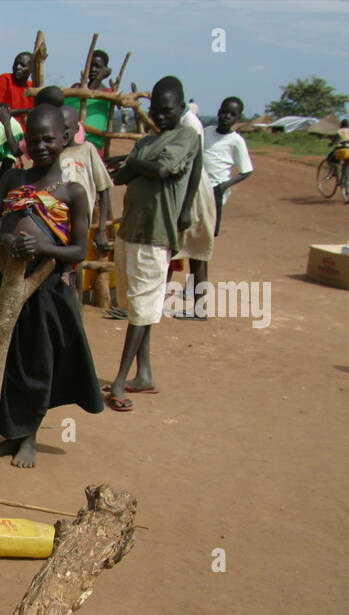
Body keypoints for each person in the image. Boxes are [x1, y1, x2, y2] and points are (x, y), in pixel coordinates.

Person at [0, 103, 102, 468]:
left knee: (37, 362)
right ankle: (9, 433)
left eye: (48, 138)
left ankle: (29, 435)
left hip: (45, 288)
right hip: (8, 284)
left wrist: (41, 247)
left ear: (65, 138)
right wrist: (5, 239)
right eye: (34, 139)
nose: (41, 145)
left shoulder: (73, 192)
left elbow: (78, 248)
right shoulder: (13, 180)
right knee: (2, 358)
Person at [104, 76, 201, 410]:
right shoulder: (148, 141)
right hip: (130, 230)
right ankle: (143, 373)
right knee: (137, 306)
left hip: (156, 234)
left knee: (143, 307)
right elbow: (122, 177)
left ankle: (119, 380)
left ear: (181, 107)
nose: (159, 116)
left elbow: (162, 170)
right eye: (155, 110)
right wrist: (133, 166)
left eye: (167, 110)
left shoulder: (187, 136)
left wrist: (134, 165)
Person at [170, 98, 217, 319]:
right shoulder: (184, 121)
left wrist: (187, 206)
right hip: (188, 188)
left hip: (193, 190)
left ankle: (199, 308)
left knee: (192, 251)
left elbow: (195, 165)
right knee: (179, 250)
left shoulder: (190, 124)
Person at [59, 104, 111, 253]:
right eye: (58, 128)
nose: (62, 133)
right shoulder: (52, 154)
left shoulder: (87, 150)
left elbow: (104, 188)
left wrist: (101, 228)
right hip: (56, 219)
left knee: (76, 259)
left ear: (76, 129)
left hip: (80, 220)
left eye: (66, 128)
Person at [202, 96, 254, 238]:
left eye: (232, 114)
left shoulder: (236, 141)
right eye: (225, 112)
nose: (227, 117)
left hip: (216, 189)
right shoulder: (207, 131)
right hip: (200, 185)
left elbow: (246, 171)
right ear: (219, 113)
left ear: (238, 118)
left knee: (209, 233)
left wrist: (224, 186)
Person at [66, 49, 112, 151]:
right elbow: (87, 93)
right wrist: (97, 79)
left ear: (104, 69)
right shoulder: (75, 88)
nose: (93, 69)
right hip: (72, 140)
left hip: (94, 143)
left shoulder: (107, 93)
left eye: (97, 67)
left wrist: (99, 79)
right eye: (90, 65)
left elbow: (90, 93)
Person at [0, 51, 34, 123]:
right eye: (16, 64)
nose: (18, 67)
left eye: (23, 65)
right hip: (3, 126)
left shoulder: (33, 88)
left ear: (32, 69)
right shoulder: (5, 79)